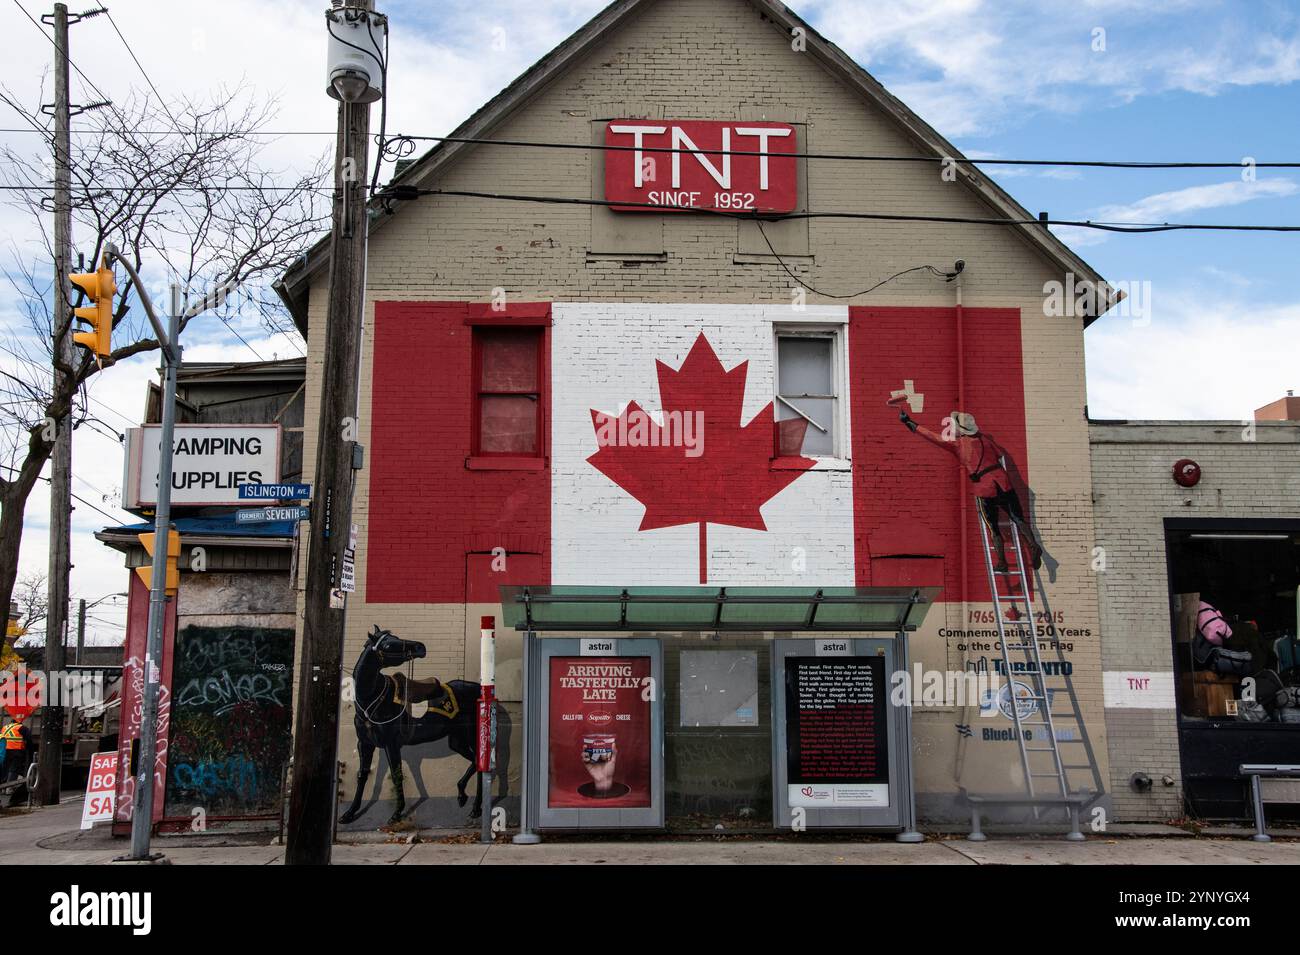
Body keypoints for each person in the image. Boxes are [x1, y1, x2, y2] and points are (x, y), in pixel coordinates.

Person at [899, 407, 1042, 573]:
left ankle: (1002, 562)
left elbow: (934, 437)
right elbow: (999, 456)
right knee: (1018, 518)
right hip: (1003, 482)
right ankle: (1034, 546)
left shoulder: (959, 444)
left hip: (985, 487)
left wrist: (910, 422)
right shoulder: (986, 441)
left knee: (993, 527)